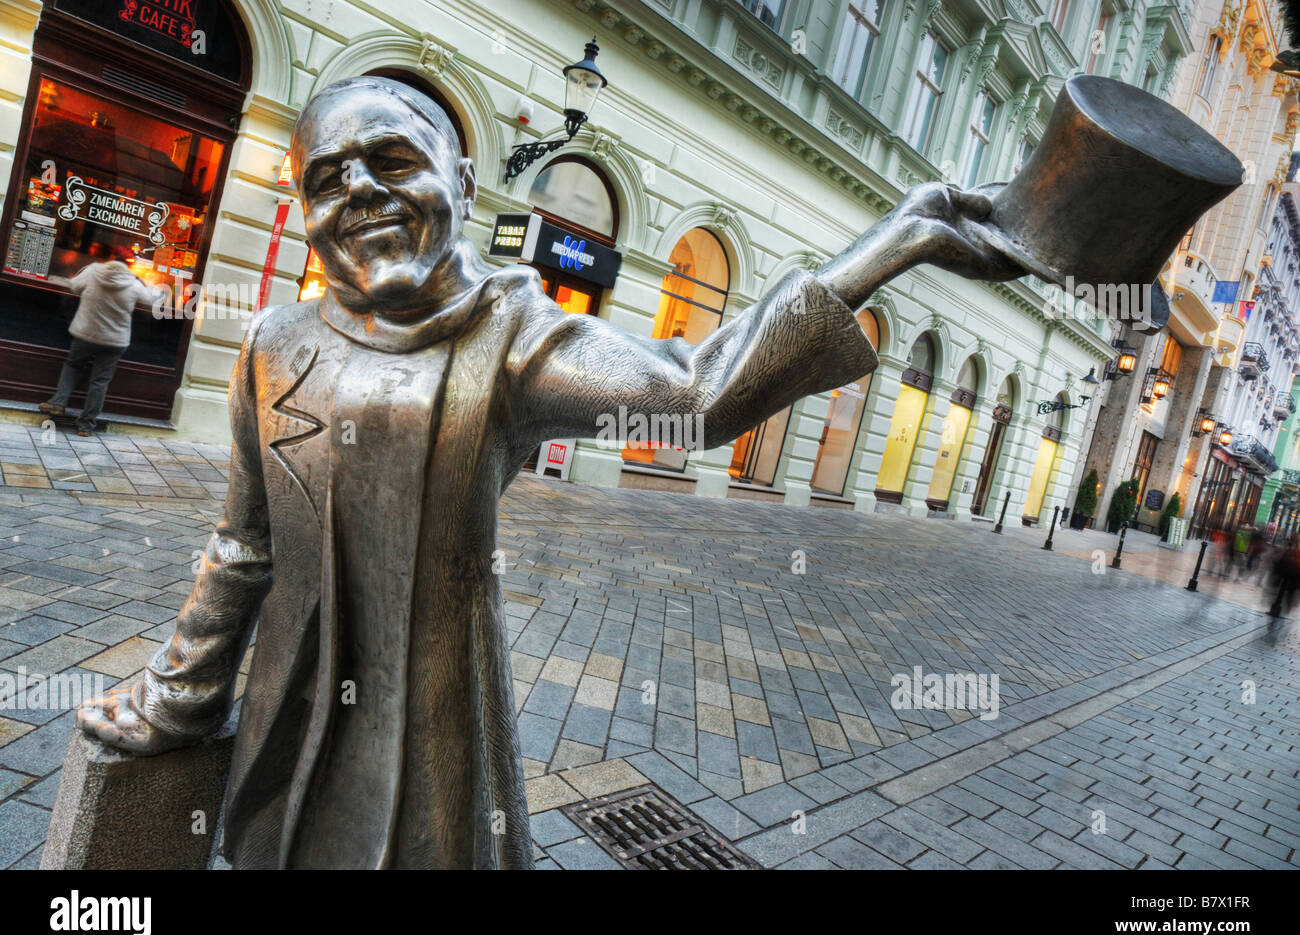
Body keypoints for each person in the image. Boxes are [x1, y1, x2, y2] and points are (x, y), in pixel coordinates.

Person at [73, 77, 1023, 869]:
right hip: (293, 703)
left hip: (432, 725)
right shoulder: (275, 341)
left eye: (393, 161)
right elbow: (243, 542)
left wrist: (890, 246)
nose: (359, 189)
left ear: (464, 177)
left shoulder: (516, 333)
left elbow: (688, 397)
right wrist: (180, 693)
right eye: (328, 179)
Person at [38, 256, 163, 436]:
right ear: (128, 269)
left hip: (86, 334)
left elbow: (74, 286)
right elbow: (151, 303)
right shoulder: (133, 284)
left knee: (73, 365)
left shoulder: (92, 272)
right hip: (115, 341)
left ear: (108, 263)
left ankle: (59, 401)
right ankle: (86, 426)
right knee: (100, 381)